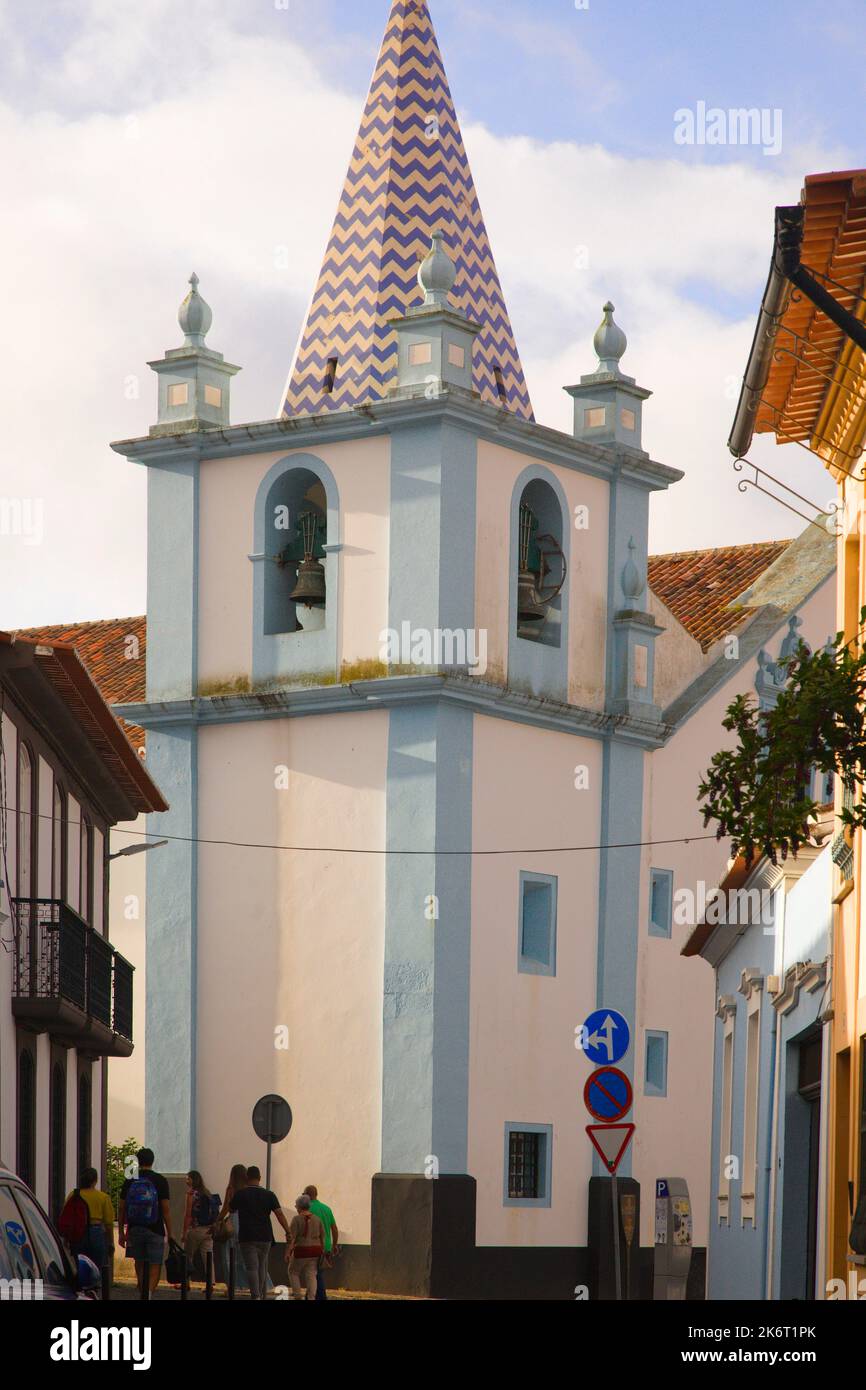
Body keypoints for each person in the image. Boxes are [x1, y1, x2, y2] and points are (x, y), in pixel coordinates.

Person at [230, 1166, 291, 1301]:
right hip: (265, 1236)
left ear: (247, 1178)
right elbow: (279, 1214)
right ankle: (261, 1294)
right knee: (262, 1265)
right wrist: (288, 1231)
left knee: (251, 1267)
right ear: (260, 1178)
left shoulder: (240, 1194)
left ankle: (255, 1295)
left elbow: (231, 1209)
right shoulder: (269, 1195)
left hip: (247, 1236)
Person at [118, 1148, 173, 1296]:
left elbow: (122, 1207)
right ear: (152, 1161)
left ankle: (143, 1292)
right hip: (155, 1229)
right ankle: (148, 1294)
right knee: (155, 1264)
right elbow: (166, 1209)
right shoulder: (160, 1180)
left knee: (140, 1262)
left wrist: (122, 1233)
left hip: (134, 1228)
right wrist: (170, 1232)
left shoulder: (130, 1180)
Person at [64, 1168, 115, 1275]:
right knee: (97, 1266)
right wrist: (111, 1242)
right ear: (95, 1181)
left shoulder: (74, 1195)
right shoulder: (103, 1197)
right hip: (96, 1232)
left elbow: (66, 1217)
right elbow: (109, 1224)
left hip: (78, 1233)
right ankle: (94, 1288)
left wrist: (66, 1239)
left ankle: (81, 1288)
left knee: (79, 1264)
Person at [216, 1164, 250, 1293]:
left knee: (229, 1256)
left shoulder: (231, 1189)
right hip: (245, 1222)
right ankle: (248, 1284)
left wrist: (217, 1221)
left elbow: (226, 1208)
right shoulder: (248, 1189)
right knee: (245, 1256)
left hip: (233, 1222)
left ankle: (232, 1286)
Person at [284, 1193, 325, 1302]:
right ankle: (311, 1297)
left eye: (296, 1206)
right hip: (315, 1251)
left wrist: (288, 1252)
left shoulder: (296, 1219)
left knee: (293, 1272)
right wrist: (323, 1250)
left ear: (299, 1207)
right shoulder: (317, 1219)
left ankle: (298, 1296)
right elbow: (323, 1236)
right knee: (311, 1274)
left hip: (301, 1250)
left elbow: (291, 1238)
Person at [303, 1185, 339, 1302]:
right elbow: (334, 1229)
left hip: (312, 1246)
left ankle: (320, 1297)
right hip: (326, 1247)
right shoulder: (326, 1209)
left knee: (314, 1274)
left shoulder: (306, 1209)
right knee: (316, 1273)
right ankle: (309, 1296)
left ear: (307, 1195)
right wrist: (334, 1245)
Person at [182, 1171, 216, 1285]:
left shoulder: (191, 1194)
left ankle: (185, 1283)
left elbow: (188, 1215)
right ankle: (210, 1283)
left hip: (195, 1229)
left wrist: (184, 1232)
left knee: (187, 1256)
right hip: (209, 1230)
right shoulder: (207, 1192)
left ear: (193, 1180)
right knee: (208, 1258)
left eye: (188, 1179)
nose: (186, 1181)